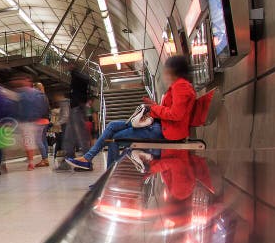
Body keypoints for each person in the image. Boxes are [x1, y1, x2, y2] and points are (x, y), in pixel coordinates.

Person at [67, 56, 196, 171]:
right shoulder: (180, 86)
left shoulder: (181, 86)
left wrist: (154, 109)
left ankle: (102, 174)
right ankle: (87, 159)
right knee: (112, 125)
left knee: (114, 139)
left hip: (165, 131)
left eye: (166, 70)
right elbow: (174, 111)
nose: (165, 74)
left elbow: (176, 114)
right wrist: (154, 105)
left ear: (173, 71)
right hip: (162, 126)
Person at [62, 64, 91, 160]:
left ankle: (87, 159)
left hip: (77, 107)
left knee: (81, 135)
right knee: (69, 135)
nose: (66, 67)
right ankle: (68, 159)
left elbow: (87, 81)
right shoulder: (75, 76)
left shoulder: (78, 75)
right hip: (74, 107)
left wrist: (78, 100)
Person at [33, 82, 51, 168]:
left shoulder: (38, 97)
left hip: (40, 121)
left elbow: (38, 110)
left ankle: (44, 159)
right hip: (46, 121)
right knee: (44, 140)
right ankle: (45, 159)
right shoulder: (45, 96)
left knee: (38, 140)